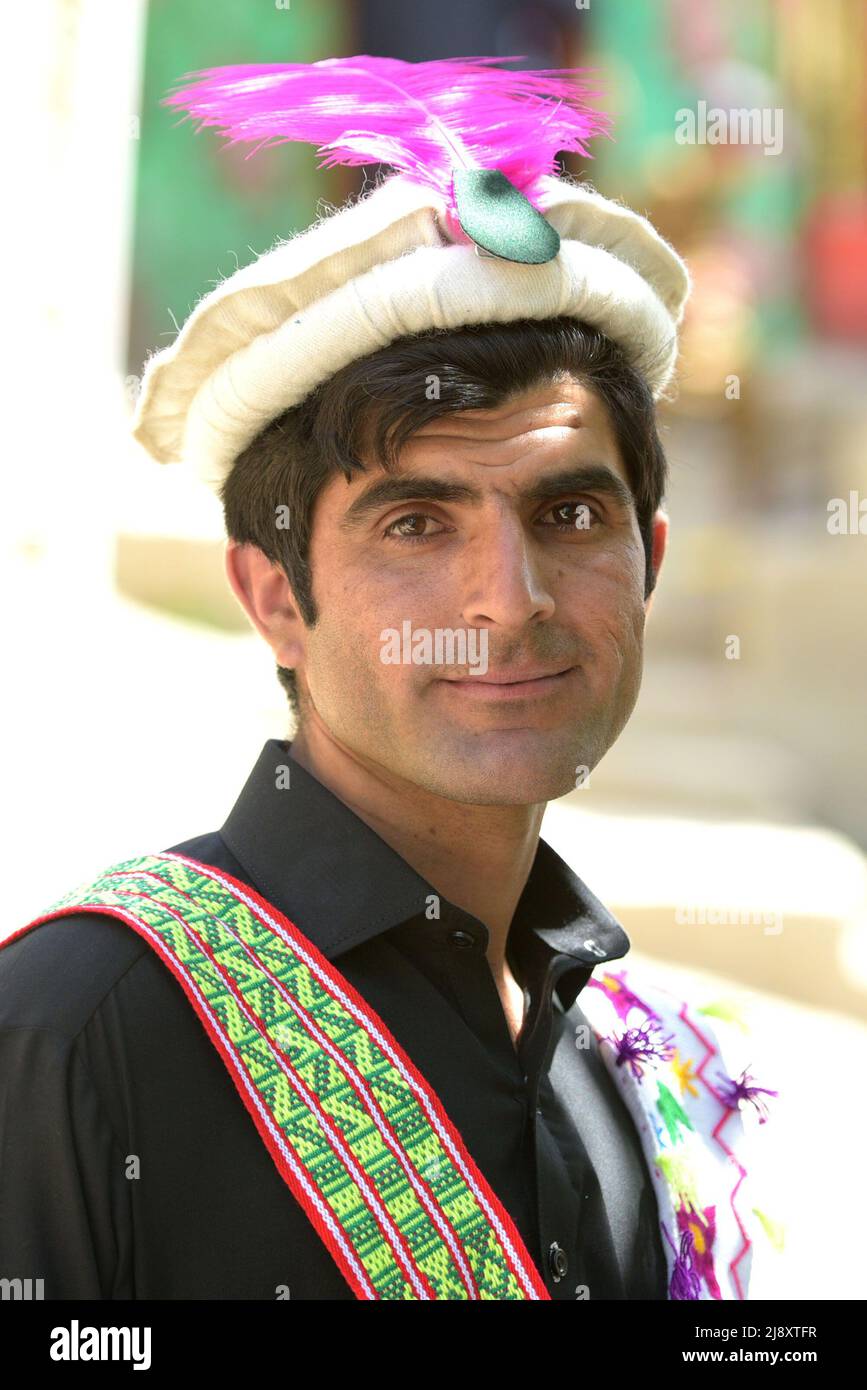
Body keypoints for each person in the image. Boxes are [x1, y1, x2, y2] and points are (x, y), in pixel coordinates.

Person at [0, 55, 777, 1301]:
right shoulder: (73, 1034)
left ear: (652, 563)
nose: (509, 599)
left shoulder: (631, 1059)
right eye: (417, 523)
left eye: (571, 511)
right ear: (274, 599)